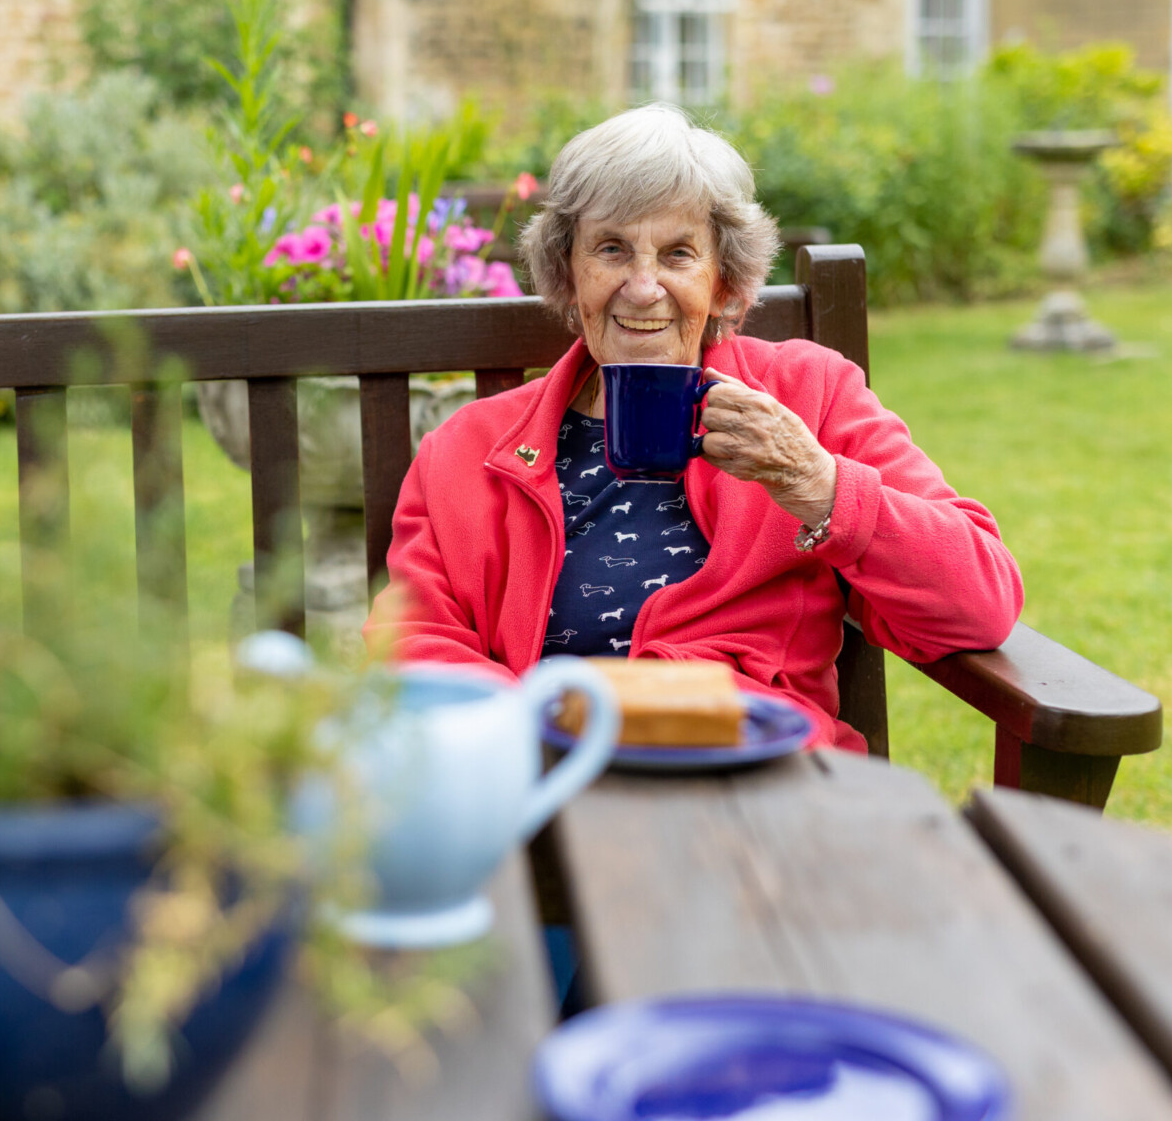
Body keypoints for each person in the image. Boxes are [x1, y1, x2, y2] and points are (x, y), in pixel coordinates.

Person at [365, 103, 1022, 751]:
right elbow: (415, 644)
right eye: (612, 249)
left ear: (725, 282)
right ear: (568, 271)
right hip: (549, 766)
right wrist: (550, 733)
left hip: (753, 768)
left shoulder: (809, 395)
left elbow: (980, 603)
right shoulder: (466, 448)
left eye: (678, 254)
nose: (643, 287)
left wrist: (815, 481)